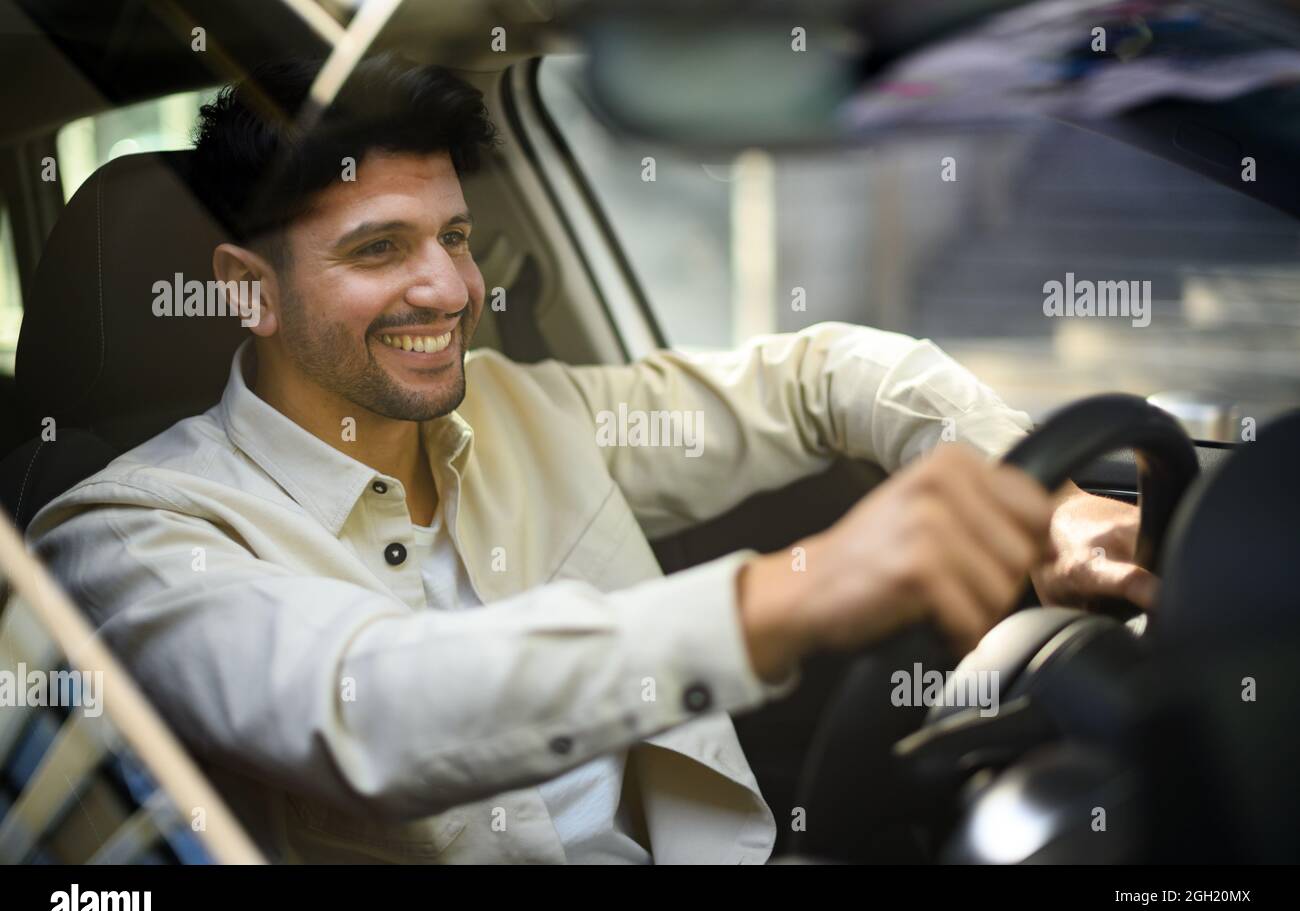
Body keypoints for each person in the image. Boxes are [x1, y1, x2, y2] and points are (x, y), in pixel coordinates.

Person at [26, 55, 1150, 864]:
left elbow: (820, 379)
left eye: (454, 238)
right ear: (246, 289)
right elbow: (374, 708)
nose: (451, 291)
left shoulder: (519, 410)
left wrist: (1033, 497)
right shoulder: (122, 538)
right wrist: (790, 601)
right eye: (380, 249)